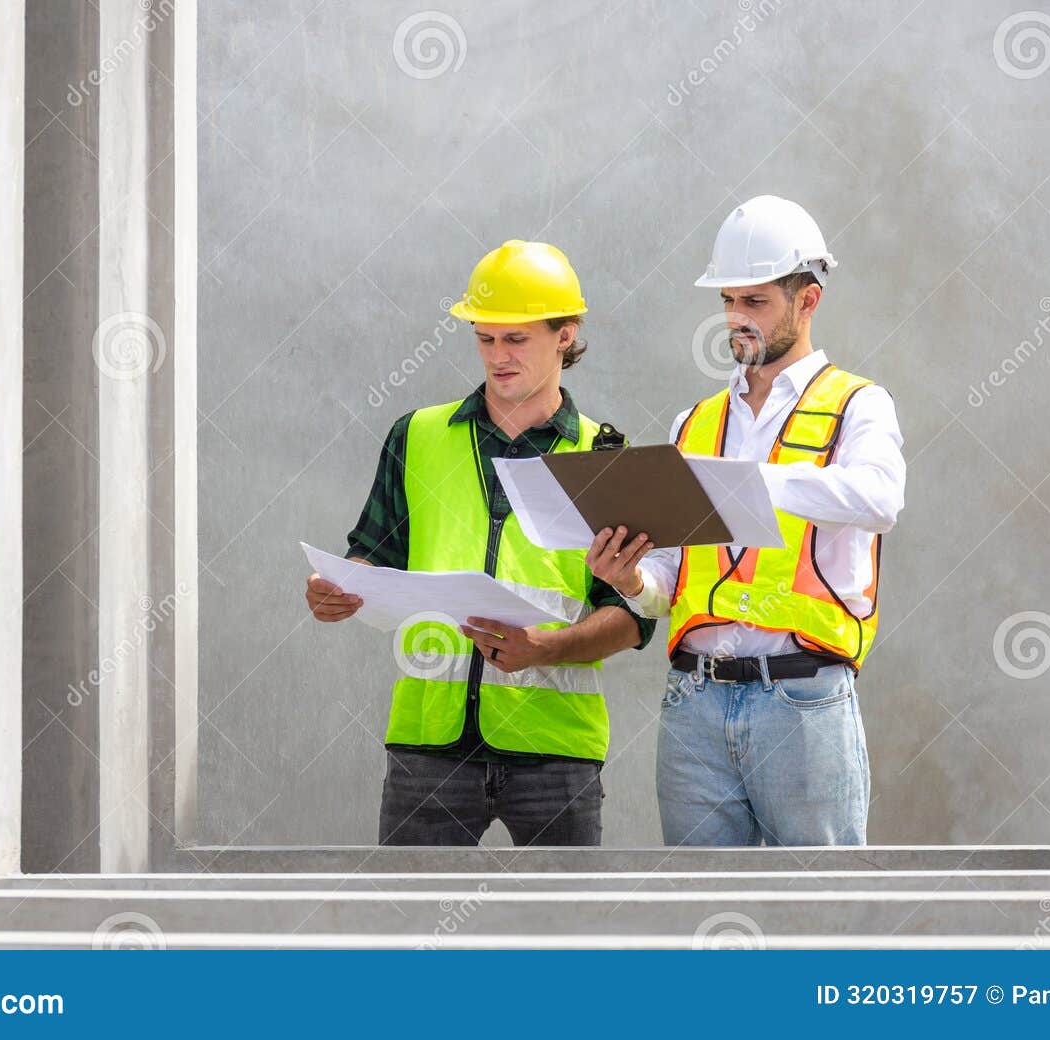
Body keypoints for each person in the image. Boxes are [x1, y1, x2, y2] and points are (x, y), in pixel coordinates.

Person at [305, 239, 655, 847]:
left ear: (566, 335)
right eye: (485, 338)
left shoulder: (604, 460)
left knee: (562, 934)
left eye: (516, 339)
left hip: (555, 749)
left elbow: (633, 619)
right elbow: (372, 553)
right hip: (427, 748)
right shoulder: (417, 436)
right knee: (411, 935)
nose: (498, 356)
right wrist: (340, 587)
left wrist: (547, 648)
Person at [589, 196, 906, 847]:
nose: (736, 319)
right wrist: (628, 581)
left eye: (755, 302)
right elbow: (668, 582)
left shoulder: (858, 406)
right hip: (694, 705)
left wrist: (752, 481)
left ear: (808, 300)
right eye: (729, 300)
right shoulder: (696, 423)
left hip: (802, 701)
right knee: (700, 912)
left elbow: (880, 499)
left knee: (819, 917)